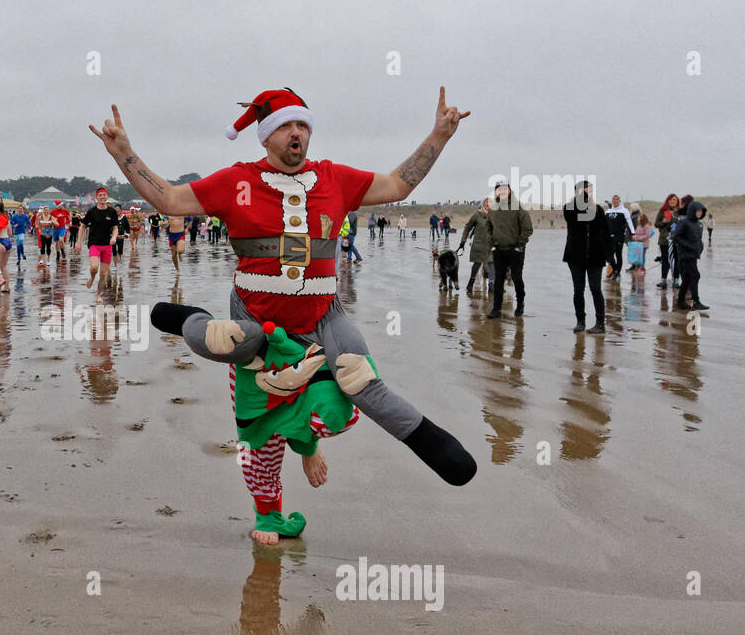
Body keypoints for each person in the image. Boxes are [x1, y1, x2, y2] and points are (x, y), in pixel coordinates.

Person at [91, 86, 476, 544]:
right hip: (253, 320)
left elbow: (399, 184)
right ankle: (268, 512)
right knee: (244, 393)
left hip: (323, 319)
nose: (298, 133)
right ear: (266, 136)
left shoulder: (336, 178)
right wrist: (125, 155)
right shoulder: (235, 181)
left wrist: (440, 135)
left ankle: (421, 445)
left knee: (357, 380)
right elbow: (171, 201)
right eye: (287, 126)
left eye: (303, 125)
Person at [561, 180, 608, 333]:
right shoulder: (569, 209)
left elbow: (605, 232)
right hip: (576, 256)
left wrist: (609, 255)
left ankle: (600, 323)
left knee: (596, 289)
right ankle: (580, 321)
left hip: (595, 256)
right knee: (578, 289)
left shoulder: (598, 210)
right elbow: (573, 220)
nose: (587, 192)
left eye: (589, 190)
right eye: (583, 190)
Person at [487, 180, 532, 318]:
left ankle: (520, 305)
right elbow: (488, 228)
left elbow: (527, 228)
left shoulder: (518, 207)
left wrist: (520, 245)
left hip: (515, 250)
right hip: (499, 250)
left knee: (516, 278)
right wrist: (492, 245)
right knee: (498, 280)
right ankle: (496, 309)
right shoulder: (493, 209)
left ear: (509, 191)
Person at [79, 187, 119, 289]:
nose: (102, 197)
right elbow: (83, 226)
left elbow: (115, 228)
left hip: (107, 245)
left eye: (104, 195)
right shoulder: (91, 212)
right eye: (100, 195)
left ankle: (98, 295)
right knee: (94, 267)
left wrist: (114, 237)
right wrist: (78, 242)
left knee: (103, 274)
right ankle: (92, 278)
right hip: (94, 244)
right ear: (96, 198)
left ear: (107, 197)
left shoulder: (112, 212)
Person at [673, 201, 708, 311]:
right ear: (692, 211)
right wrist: (689, 246)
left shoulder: (698, 224)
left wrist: (700, 248)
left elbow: (698, 240)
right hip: (685, 255)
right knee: (695, 275)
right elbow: (676, 237)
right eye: (698, 211)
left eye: (701, 211)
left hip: (694, 255)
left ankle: (680, 301)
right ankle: (696, 301)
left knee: (687, 279)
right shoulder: (684, 222)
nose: (699, 213)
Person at [458, 198, 493, 294]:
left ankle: (491, 286)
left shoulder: (495, 216)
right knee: (477, 265)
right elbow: (467, 227)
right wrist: (463, 241)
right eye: (487, 204)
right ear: (483, 204)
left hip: (490, 246)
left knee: (491, 265)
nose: (488, 206)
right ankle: (471, 283)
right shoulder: (477, 215)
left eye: (490, 204)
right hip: (478, 244)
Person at [604, 195, 633, 279]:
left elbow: (629, 222)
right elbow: (604, 225)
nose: (615, 201)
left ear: (620, 201)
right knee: (608, 255)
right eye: (613, 199)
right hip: (609, 237)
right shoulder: (607, 212)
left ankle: (617, 272)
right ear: (611, 201)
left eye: (617, 199)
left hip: (619, 236)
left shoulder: (624, 211)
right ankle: (615, 270)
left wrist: (633, 233)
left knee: (618, 254)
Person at [653, 194, 679, 288]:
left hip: (676, 240)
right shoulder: (664, 211)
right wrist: (663, 222)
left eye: (675, 200)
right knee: (665, 260)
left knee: (676, 260)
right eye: (671, 200)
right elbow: (656, 224)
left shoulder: (679, 212)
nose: (673, 201)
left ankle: (676, 280)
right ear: (668, 201)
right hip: (664, 240)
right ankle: (663, 280)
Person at [630, 208, 652, 275]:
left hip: (644, 244)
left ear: (642, 219)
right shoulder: (638, 226)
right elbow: (636, 233)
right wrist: (634, 237)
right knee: (637, 256)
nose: (637, 219)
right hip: (637, 244)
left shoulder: (646, 226)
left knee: (642, 256)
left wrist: (639, 238)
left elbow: (647, 235)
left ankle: (642, 267)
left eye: (639, 218)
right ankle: (637, 267)